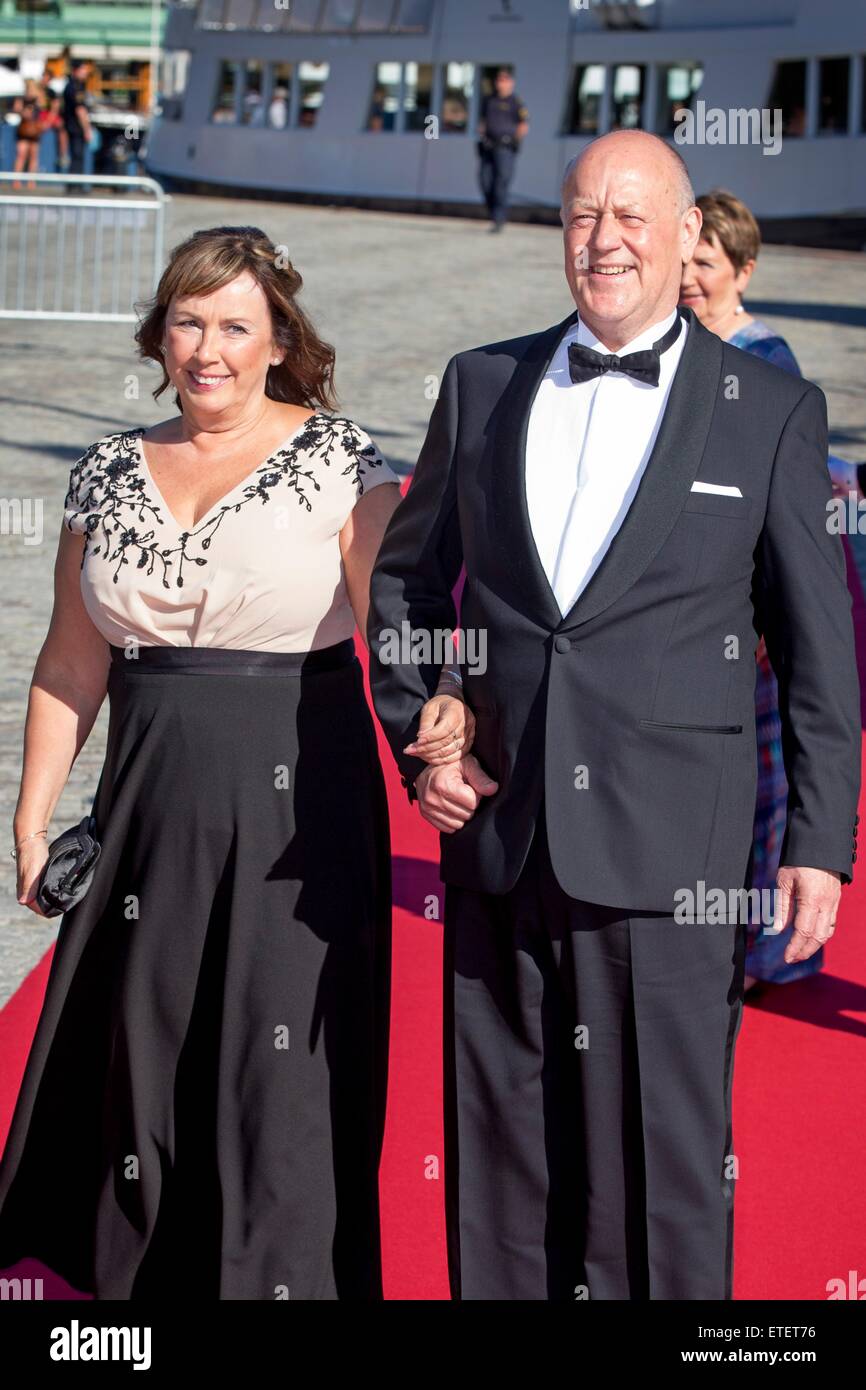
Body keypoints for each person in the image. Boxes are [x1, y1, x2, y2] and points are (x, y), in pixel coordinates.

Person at [367, 130, 861, 1300]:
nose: (605, 241)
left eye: (634, 216)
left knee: (666, 1170)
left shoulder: (772, 409)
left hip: (670, 852)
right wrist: (419, 716)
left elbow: (816, 649)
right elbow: (402, 583)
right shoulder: (479, 382)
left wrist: (817, 848)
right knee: (499, 1153)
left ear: (689, 236)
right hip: (499, 835)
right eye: (583, 216)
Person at [0, 225, 404, 1300]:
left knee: (278, 1078)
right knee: (145, 1058)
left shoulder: (341, 460)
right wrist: (35, 820)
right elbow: (71, 658)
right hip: (148, 808)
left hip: (297, 812)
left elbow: (401, 637)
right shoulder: (104, 473)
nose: (207, 347)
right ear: (159, 333)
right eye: (188, 321)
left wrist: (445, 733)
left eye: (235, 325)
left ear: (278, 341)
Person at [679, 187, 848, 992]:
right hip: (688, 605)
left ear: (742, 270)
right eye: (683, 261)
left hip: (744, 613)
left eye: (704, 265)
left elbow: (779, 505)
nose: (688, 278)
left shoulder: (766, 358)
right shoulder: (669, 343)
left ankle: (761, 950)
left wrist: (761, 614)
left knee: (761, 787)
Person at [477, 69, 528, 233]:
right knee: (485, 182)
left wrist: (515, 141)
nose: (501, 83)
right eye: (499, 80)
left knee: (501, 184)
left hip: (505, 148)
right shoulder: (489, 100)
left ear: (511, 83)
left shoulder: (516, 102)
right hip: (488, 147)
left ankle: (499, 219)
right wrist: (482, 133)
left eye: (505, 80)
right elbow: (483, 121)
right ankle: (493, 213)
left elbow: (523, 125)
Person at [62, 57, 93, 178]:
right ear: (76, 70)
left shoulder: (73, 85)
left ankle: (75, 184)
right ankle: (75, 185)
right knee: (77, 156)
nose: (85, 72)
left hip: (72, 125)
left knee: (77, 155)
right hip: (76, 127)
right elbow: (80, 109)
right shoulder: (75, 87)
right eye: (83, 69)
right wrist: (87, 129)